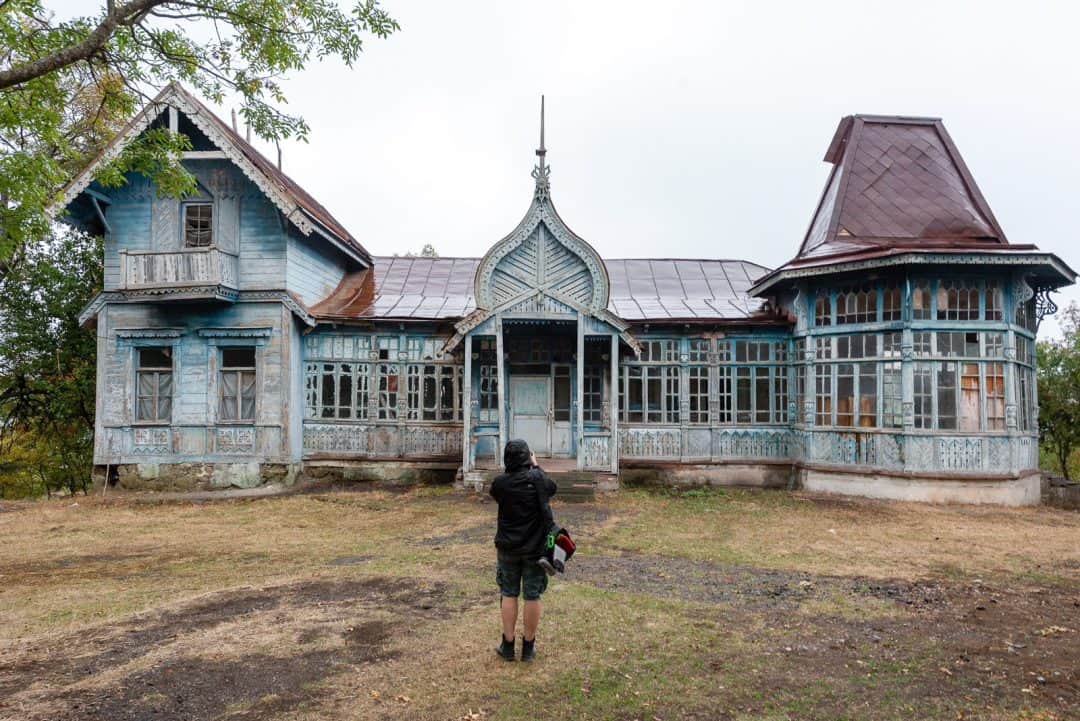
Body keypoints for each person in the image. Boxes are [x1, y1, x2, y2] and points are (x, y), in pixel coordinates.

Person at [489, 438, 557, 661]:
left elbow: (496, 494)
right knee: (532, 594)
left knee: (508, 593)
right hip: (535, 548)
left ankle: (508, 645)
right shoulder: (538, 480)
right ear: (528, 457)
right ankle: (528, 646)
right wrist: (536, 466)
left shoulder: (500, 484)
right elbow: (552, 488)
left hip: (508, 547)